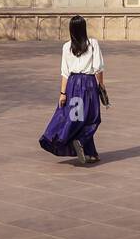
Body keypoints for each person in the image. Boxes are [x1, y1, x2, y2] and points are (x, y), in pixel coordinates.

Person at [38, 15, 104, 165]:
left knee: (78, 117)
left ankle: (91, 153)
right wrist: (101, 86)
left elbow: (65, 72)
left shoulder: (66, 46)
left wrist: (62, 93)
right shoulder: (92, 43)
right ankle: (80, 140)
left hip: (73, 85)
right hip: (88, 84)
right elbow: (98, 68)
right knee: (92, 117)